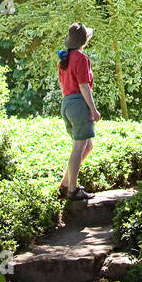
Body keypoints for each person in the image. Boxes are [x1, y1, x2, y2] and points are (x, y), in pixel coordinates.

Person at [57, 22, 101, 201]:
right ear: (84, 41)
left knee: (86, 146)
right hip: (78, 103)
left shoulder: (64, 59)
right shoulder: (81, 59)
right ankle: (73, 190)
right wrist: (93, 109)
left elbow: (63, 87)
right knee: (79, 148)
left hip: (67, 103)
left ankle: (66, 183)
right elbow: (84, 86)